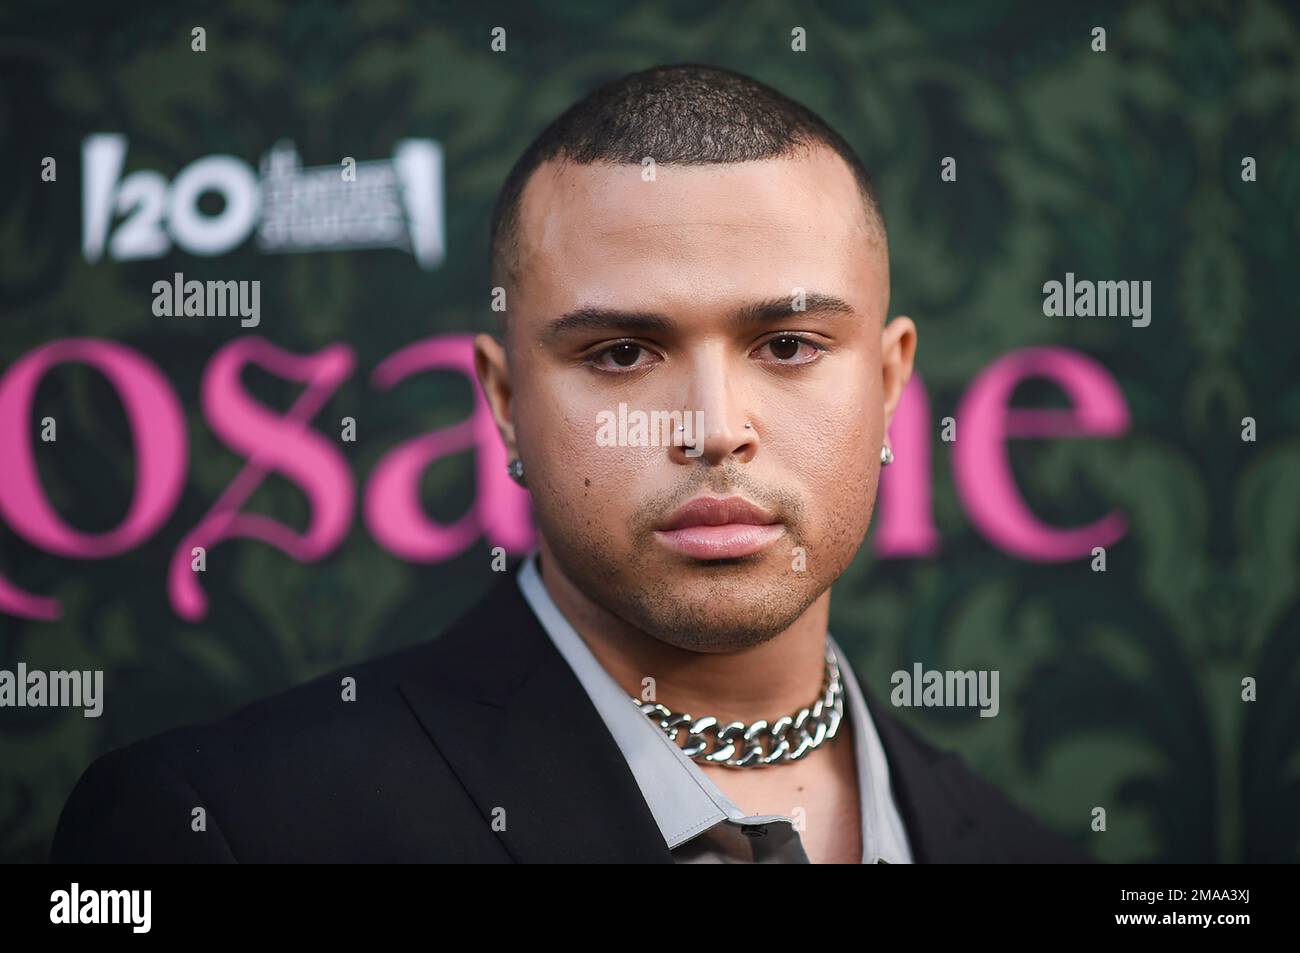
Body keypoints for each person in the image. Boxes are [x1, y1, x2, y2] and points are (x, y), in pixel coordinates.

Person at [52, 63, 1090, 864]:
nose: (713, 427)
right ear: (505, 403)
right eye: (622, 353)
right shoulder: (219, 824)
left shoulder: (1018, 848)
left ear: (890, 385)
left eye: (787, 345)